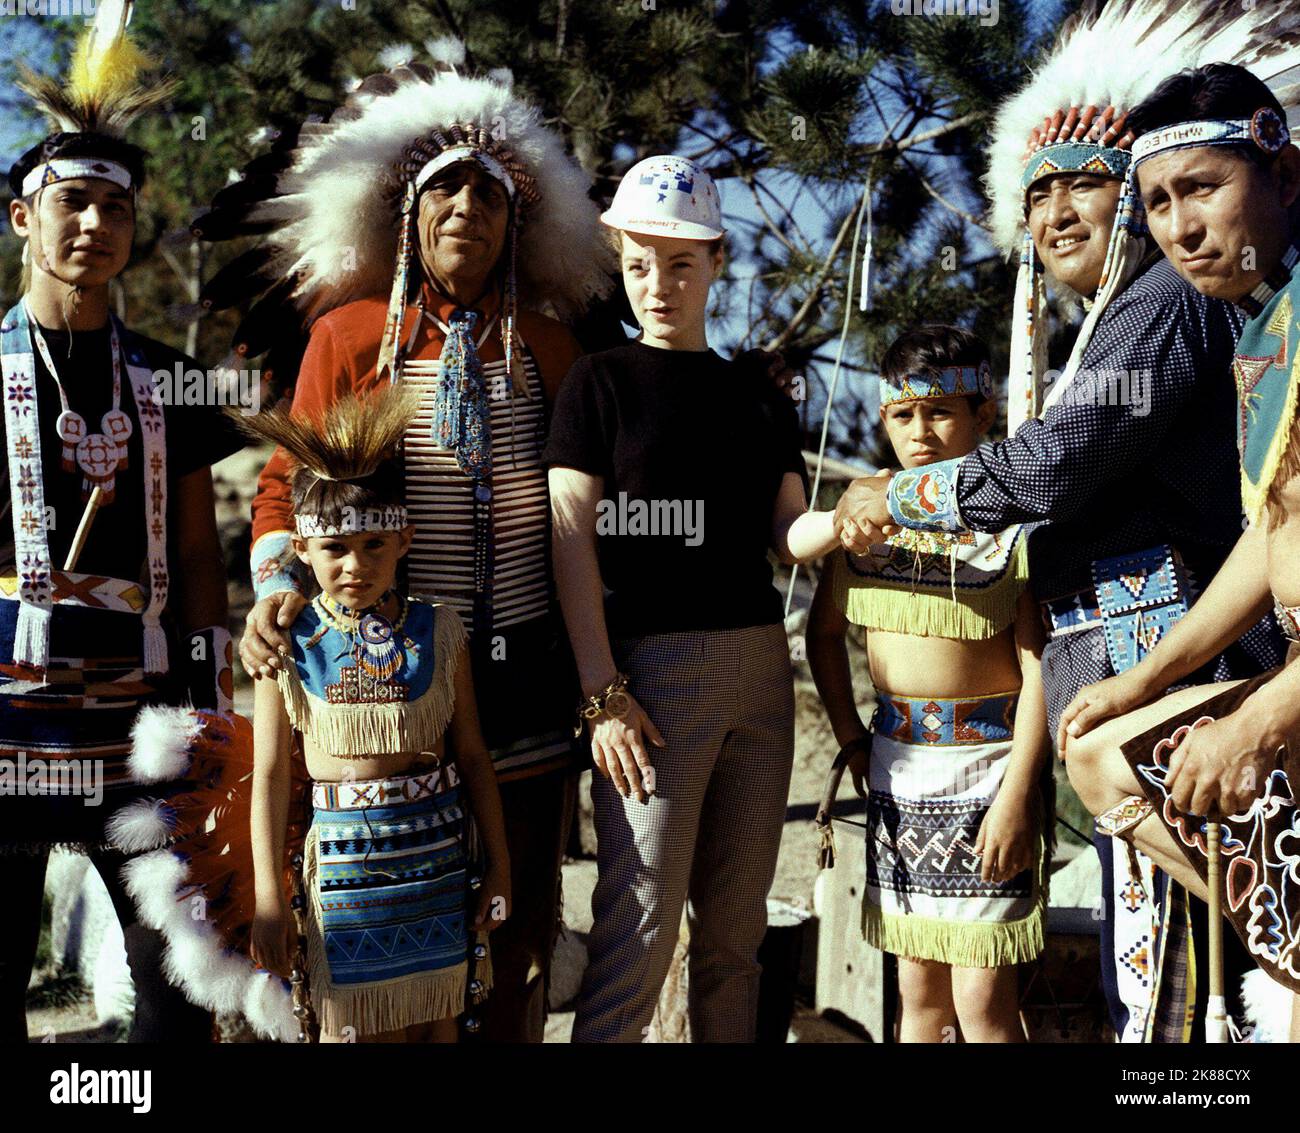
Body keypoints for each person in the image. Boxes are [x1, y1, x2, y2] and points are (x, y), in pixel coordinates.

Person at [829, 3, 1286, 1043]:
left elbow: (1051, 466)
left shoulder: (1164, 300)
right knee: (1168, 991)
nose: (1055, 211)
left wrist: (894, 496)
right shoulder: (1120, 321)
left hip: (1188, 699)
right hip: (1142, 702)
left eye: (1084, 179)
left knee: (1194, 1002)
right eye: (1035, 193)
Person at [219, 46, 613, 1042]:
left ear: (518, 220)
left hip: (523, 665)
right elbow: (282, 483)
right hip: (389, 668)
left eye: (488, 197)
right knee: (384, 913)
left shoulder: (552, 347)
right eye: (444, 195)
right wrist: (277, 589)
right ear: (406, 213)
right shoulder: (351, 337)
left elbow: (587, 505)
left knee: (514, 915)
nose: (465, 214)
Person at [544, 155, 842, 1042]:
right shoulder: (598, 383)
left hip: (761, 671)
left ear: (716, 259)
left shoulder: (757, 392)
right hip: (650, 679)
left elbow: (787, 533)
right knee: (636, 933)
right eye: (640, 264)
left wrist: (859, 516)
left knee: (736, 941)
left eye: (679, 262)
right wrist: (601, 691)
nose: (659, 284)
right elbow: (570, 539)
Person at [112, 386, 509, 1042]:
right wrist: (271, 899)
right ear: (302, 546)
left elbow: (470, 755)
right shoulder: (289, 644)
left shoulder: (440, 631)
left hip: (438, 868)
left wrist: (498, 865)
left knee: (439, 1030)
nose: (356, 564)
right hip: (344, 888)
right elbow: (269, 774)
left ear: (405, 538)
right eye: (336, 548)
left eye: (375, 545)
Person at [0, 10, 240, 1040]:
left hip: (139, 712)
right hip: (6, 703)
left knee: (177, 973)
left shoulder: (167, 378)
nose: (94, 224)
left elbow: (194, 550)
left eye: (114, 207)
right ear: (23, 218)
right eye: (72, 202)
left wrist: (204, 696)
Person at [1058, 62, 1300, 1041]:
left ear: (1284, 177)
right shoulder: (1262, 331)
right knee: (1104, 754)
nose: (1178, 226)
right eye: (1157, 201)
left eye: (1202, 186)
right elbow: (1274, 533)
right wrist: (1147, 674)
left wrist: (1266, 712)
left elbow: (1051, 468)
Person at [809, 325, 1048, 1043]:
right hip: (899, 776)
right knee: (918, 997)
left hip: (989, 776)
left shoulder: (1012, 530)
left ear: (984, 415)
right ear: (883, 419)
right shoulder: (866, 524)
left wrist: (1016, 796)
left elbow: (1041, 666)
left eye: (941, 411)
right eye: (904, 415)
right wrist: (852, 735)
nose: (922, 432)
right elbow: (823, 635)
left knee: (982, 1005)